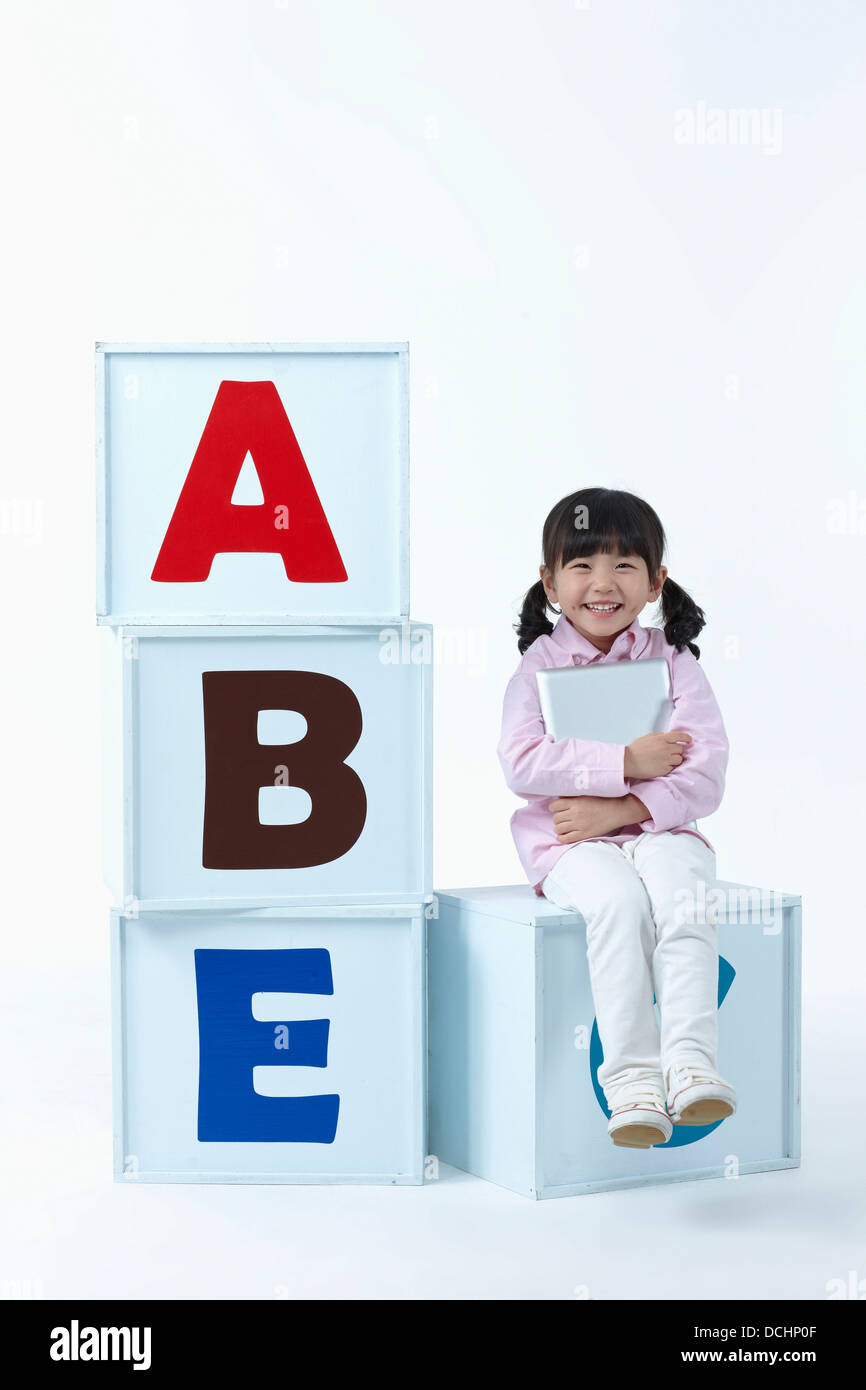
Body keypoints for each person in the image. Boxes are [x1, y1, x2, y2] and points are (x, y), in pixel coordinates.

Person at [496, 486, 737, 1150]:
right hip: (568, 841)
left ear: (657, 580)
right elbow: (521, 763)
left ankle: (691, 1068)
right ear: (549, 581)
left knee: (684, 906)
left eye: (625, 565)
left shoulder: (673, 660)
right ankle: (631, 1083)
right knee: (619, 909)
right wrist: (626, 759)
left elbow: (706, 769)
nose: (603, 583)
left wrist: (626, 808)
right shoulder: (538, 666)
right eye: (582, 566)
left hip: (663, 830)